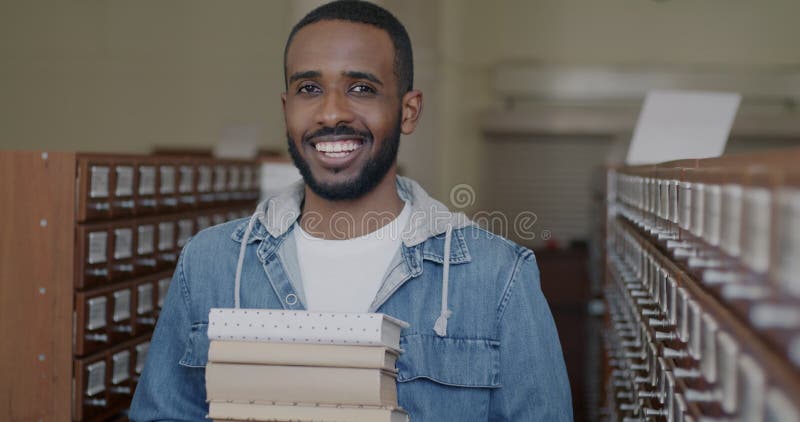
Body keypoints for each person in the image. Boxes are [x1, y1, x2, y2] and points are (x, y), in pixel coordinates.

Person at [129, 1, 572, 420]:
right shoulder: (211, 264)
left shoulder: (498, 277)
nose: (331, 112)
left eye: (361, 88)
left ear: (408, 111)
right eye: (309, 88)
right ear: (287, 110)